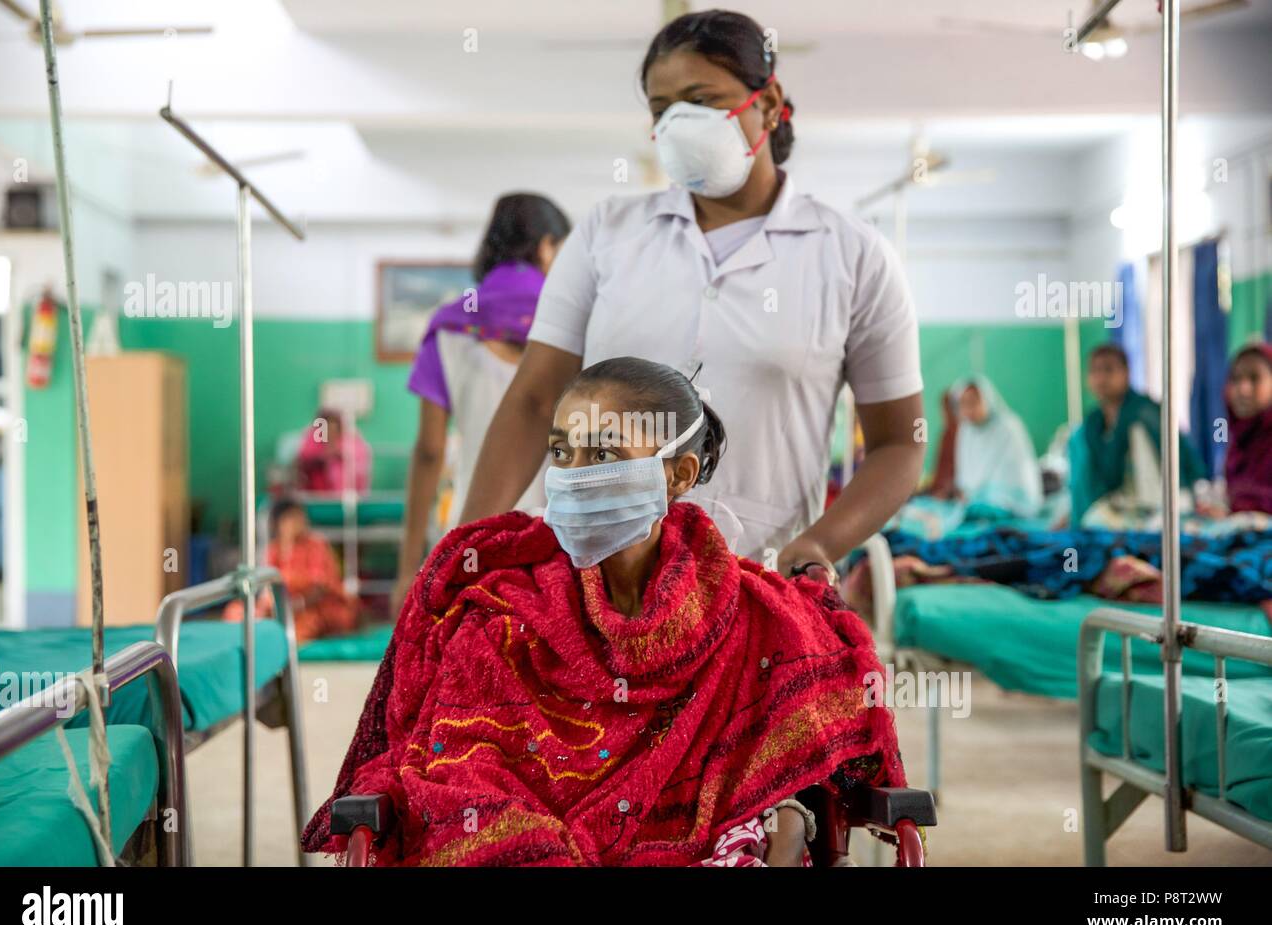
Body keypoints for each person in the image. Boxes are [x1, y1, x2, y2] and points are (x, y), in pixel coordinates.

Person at [302, 358, 906, 867]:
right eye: (562, 450)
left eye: (604, 452)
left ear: (677, 475)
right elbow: (456, 771)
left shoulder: (752, 615)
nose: (571, 476)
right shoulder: (501, 613)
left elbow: (833, 710)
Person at [454, 10, 924, 577]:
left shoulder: (853, 255)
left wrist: (823, 543)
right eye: (661, 110)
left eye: (701, 101)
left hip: (759, 576)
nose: (679, 123)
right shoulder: (608, 234)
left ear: (769, 105)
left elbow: (900, 444)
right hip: (595, 576)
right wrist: (468, 547)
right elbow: (534, 400)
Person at [393, 193, 571, 608]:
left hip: (475, 534)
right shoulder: (571, 324)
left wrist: (407, 570)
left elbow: (429, 452)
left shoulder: (449, 327)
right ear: (546, 246)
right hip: (559, 539)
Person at [1068, 343, 1205, 528]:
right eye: (1095, 371)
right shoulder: (1092, 423)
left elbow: (1161, 481)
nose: (1101, 378)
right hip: (1121, 502)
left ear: (1126, 373)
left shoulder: (1144, 414)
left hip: (1160, 503)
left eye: (1108, 370)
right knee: (1090, 520)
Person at [224, 498, 359, 642]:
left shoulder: (315, 545)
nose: (298, 522)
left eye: (300, 517)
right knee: (236, 612)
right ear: (278, 524)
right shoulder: (273, 550)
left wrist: (297, 605)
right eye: (291, 518)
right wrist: (270, 608)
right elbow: (268, 590)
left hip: (316, 607)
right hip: (283, 607)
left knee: (302, 626)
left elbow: (320, 588)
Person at [949, 376, 1043, 519]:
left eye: (974, 402)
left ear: (987, 399)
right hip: (976, 500)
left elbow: (1017, 475)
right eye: (964, 404)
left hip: (1011, 500)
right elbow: (965, 479)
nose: (969, 409)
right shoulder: (966, 431)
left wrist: (990, 495)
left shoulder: (1009, 427)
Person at [1223, 342, 1272, 515]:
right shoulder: (1238, 443)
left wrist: (1235, 511)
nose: (1243, 389)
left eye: (1254, 378)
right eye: (1236, 379)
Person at [295, 409, 371, 494]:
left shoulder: (352, 443)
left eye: (334, 427)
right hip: (315, 495)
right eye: (326, 427)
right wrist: (322, 458)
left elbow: (360, 470)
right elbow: (303, 462)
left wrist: (341, 456)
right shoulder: (312, 441)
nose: (331, 431)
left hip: (345, 496)